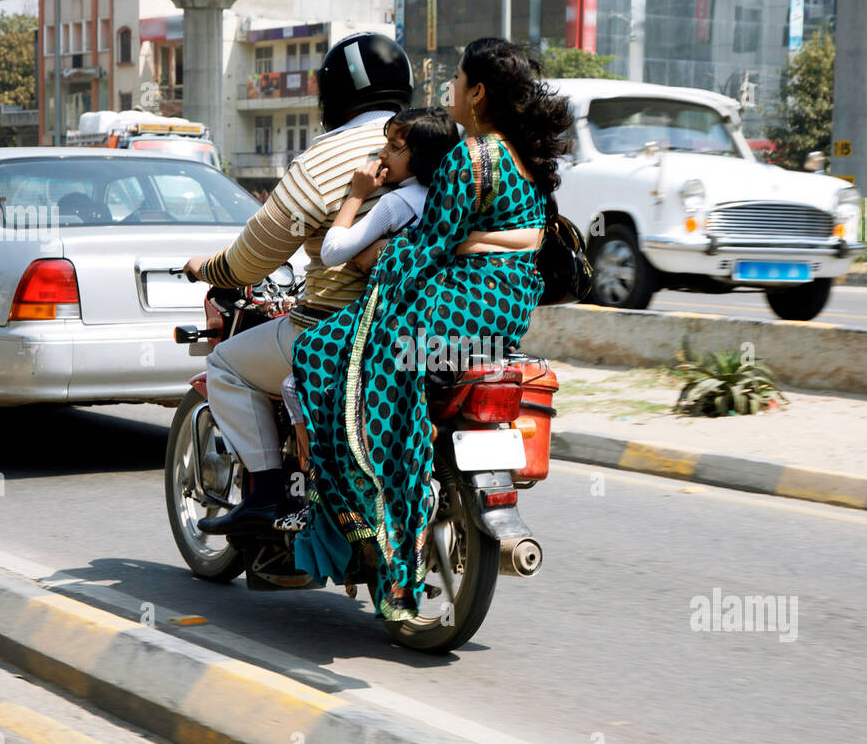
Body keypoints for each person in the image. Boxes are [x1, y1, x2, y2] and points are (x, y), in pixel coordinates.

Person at [290, 37, 574, 619]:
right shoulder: (522, 156)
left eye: (456, 81)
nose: (447, 92)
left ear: (477, 93)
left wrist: (374, 259)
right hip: (504, 311)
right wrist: (482, 241)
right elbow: (529, 237)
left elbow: (426, 249)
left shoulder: (471, 156)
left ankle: (393, 543)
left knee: (324, 354)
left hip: (455, 306)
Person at [180, 32, 415, 535]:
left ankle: (268, 495)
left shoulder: (323, 162)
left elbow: (252, 259)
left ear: (334, 96)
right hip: (427, 323)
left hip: (339, 330)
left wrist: (208, 268)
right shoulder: (442, 143)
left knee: (226, 365)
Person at [275, 107, 460, 533]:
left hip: (388, 324)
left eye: (395, 147)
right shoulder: (453, 199)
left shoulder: (397, 202)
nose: (382, 153)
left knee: (294, 383)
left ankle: (315, 491)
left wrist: (357, 194)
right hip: (442, 326)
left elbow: (334, 251)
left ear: (423, 160)